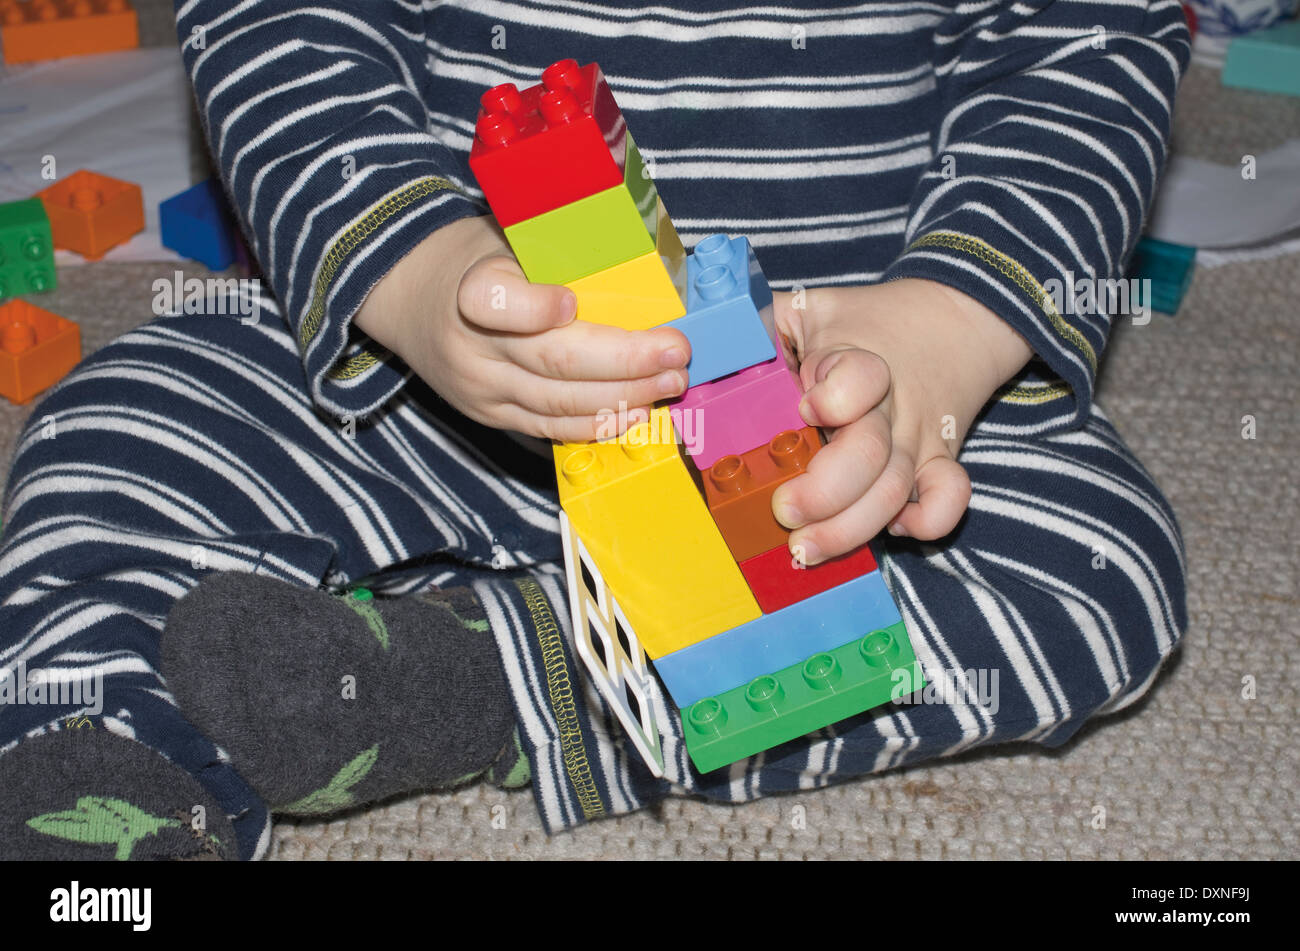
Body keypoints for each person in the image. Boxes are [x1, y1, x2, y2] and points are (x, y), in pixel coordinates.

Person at [0, 0, 1190, 859]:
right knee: (123, 426)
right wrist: (415, 280)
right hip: (450, 396)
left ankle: (494, 681)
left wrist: (949, 331)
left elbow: (1089, 41)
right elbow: (290, 28)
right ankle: (93, 766)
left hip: (832, 441)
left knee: (1098, 564)